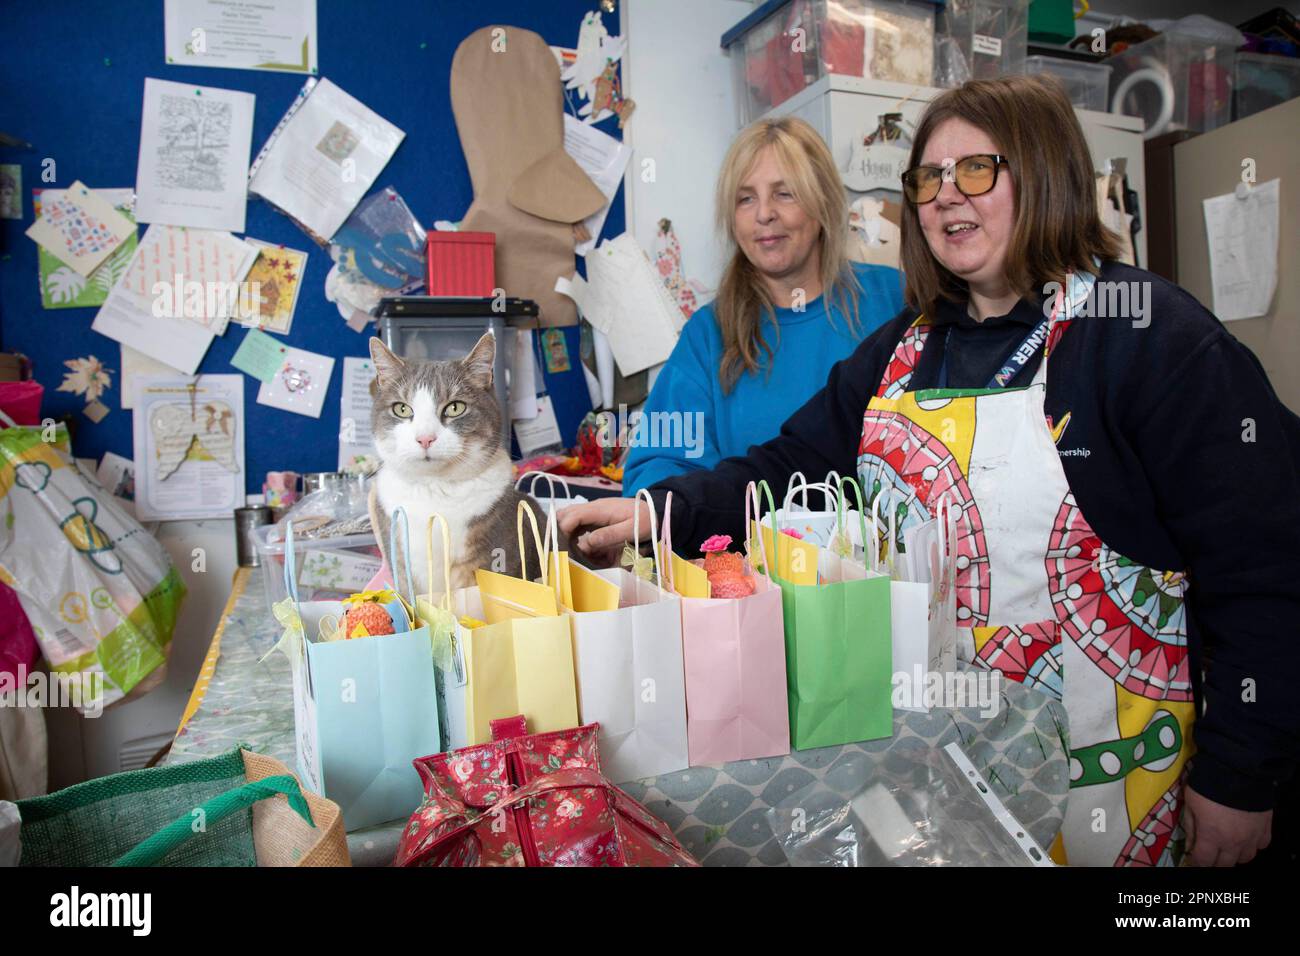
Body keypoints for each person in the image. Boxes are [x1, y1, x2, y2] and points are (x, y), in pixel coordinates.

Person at [562, 74, 1300, 867]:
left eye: (977, 170)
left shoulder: (1145, 335)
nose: (947, 197)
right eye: (928, 178)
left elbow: (1266, 565)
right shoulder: (908, 349)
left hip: (1116, 782)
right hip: (947, 775)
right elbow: (786, 466)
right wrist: (656, 513)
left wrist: (1241, 775)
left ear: (1043, 173)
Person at [620, 116, 902, 494]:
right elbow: (654, 474)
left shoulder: (895, 300)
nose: (764, 214)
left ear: (822, 204)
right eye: (746, 198)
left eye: (785, 193)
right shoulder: (708, 335)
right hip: (751, 550)